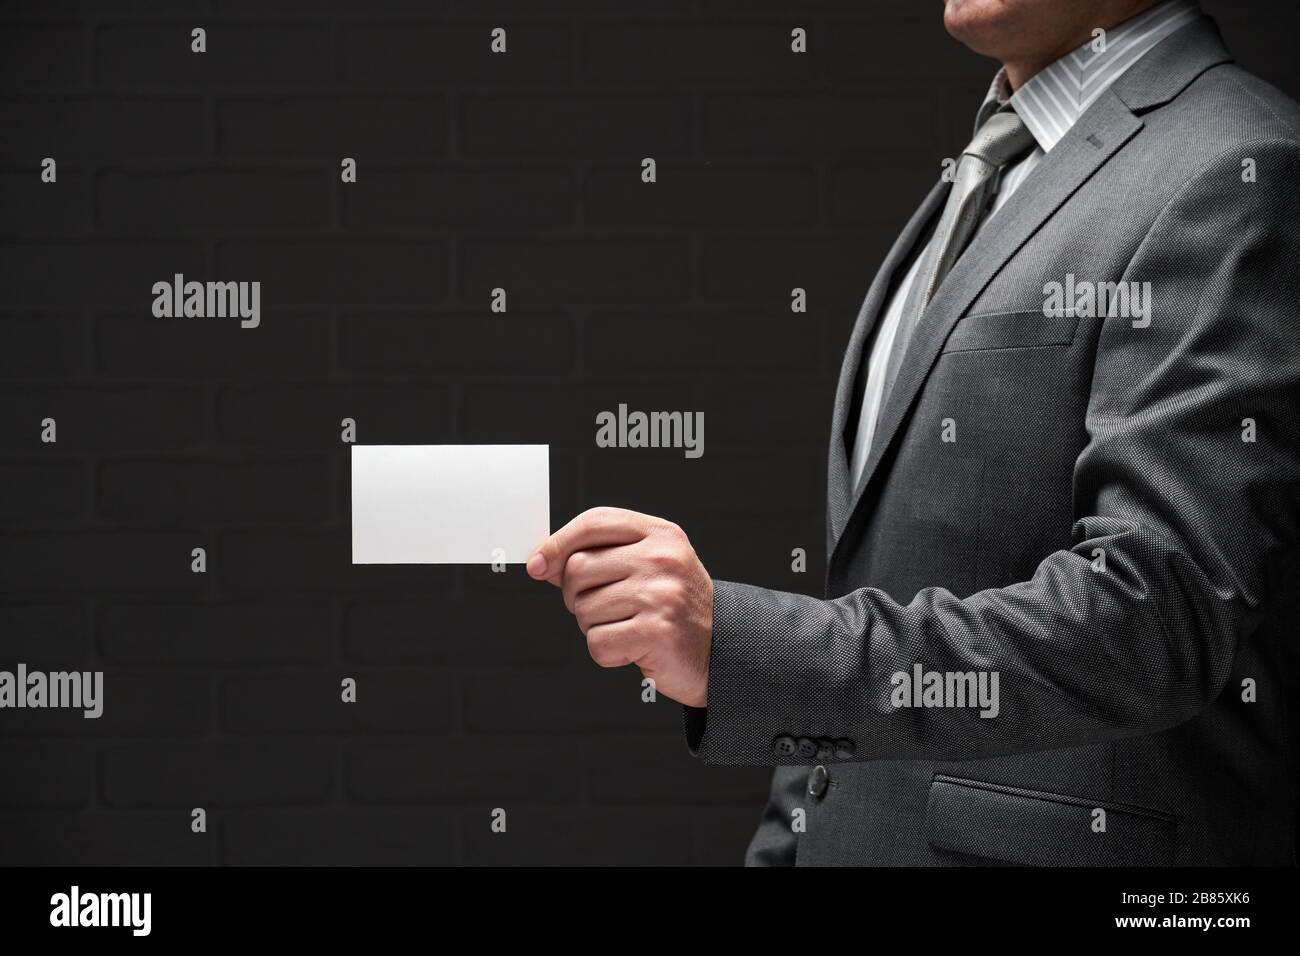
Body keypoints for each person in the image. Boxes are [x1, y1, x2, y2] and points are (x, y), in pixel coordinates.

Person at [526, 0, 1300, 865]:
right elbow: (881, 580)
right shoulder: (993, 168)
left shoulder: (1240, 165)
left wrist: (738, 648)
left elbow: (1156, 616)